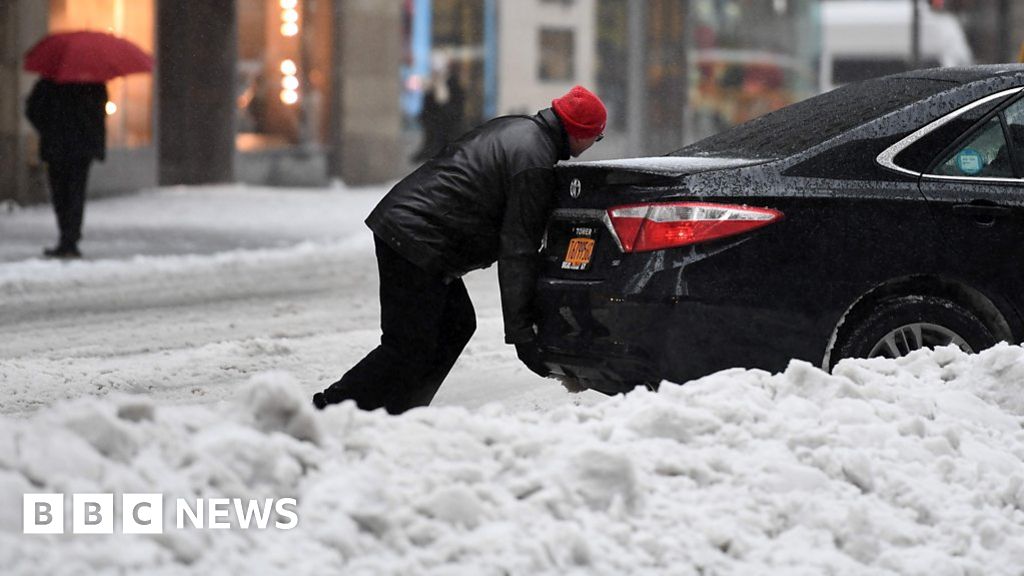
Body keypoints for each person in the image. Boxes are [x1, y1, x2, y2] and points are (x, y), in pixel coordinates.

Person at [313, 85, 607, 414]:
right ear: (581, 133)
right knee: (408, 343)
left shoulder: (519, 128)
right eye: (597, 138)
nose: (593, 145)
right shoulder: (534, 161)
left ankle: (405, 410)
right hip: (416, 235)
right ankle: (331, 407)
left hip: (416, 230)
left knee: (455, 325)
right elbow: (518, 250)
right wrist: (523, 336)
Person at [25, 77, 107, 259]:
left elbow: (32, 109)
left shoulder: (50, 82)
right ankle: (70, 238)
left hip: (59, 147)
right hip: (77, 147)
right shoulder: (92, 83)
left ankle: (67, 237)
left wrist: (49, 128)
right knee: (74, 193)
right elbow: (100, 112)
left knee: (62, 193)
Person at [412, 59, 466, 163]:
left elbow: (455, 109)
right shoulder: (431, 87)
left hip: (449, 134)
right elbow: (426, 113)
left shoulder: (452, 84)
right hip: (435, 136)